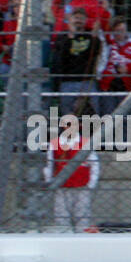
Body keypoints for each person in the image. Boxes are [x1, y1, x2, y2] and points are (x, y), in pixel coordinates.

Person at [44, 97, 101, 232]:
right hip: (61, 185)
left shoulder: (85, 142)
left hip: (82, 185)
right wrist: (50, 181)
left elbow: (94, 164)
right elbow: (49, 164)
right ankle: (64, 235)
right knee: (61, 215)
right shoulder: (55, 143)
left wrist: (91, 183)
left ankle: (82, 236)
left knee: (82, 215)